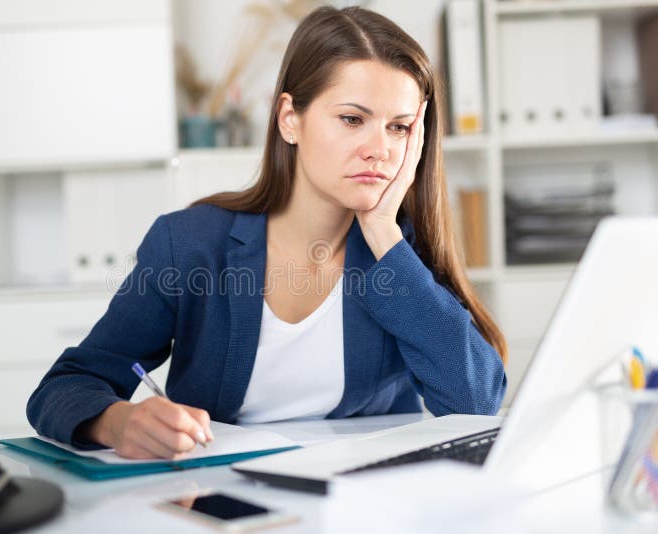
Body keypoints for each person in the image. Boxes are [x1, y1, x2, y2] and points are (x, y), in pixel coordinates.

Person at [27, 6, 507, 460]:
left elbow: (475, 404)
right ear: (289, 119)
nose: (379, 149)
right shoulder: (191, 245)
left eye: (399, 128)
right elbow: (64, 386)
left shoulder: (402, 254)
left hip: (364, 504)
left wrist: (382, 232)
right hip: (226, 501)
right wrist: (119, 421)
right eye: (353, 119)